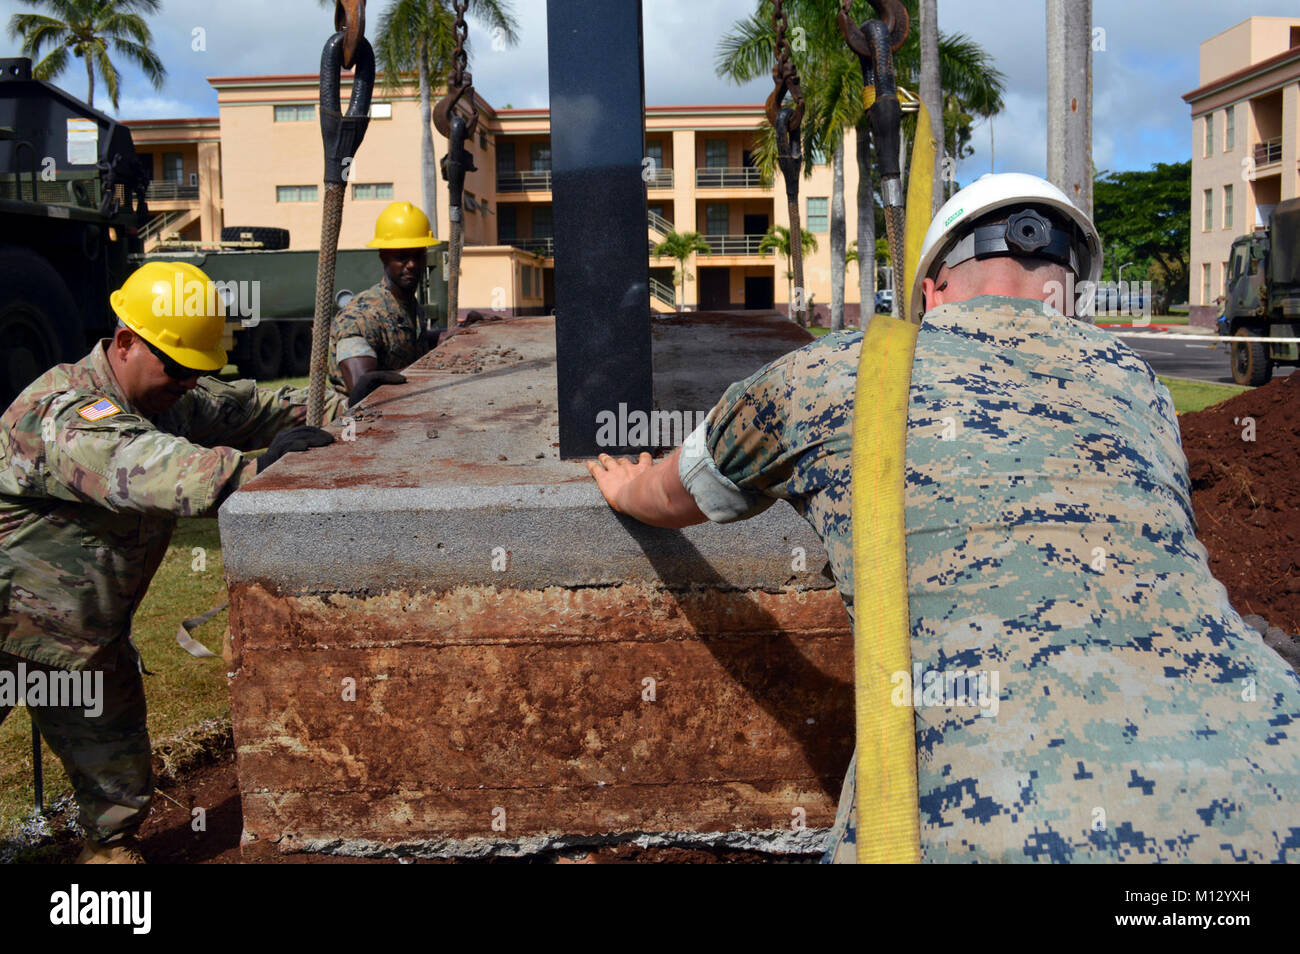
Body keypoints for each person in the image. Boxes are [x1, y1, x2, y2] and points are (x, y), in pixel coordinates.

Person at [587, 173, 1300, 863]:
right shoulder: (1138, 386)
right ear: (1070, 293)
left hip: (978, 823)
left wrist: (627, 491)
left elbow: (684, 488)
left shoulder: (835, 374)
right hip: (1274, 778)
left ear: (930, 290)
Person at [0, 260, 342, 863]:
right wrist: (254, 470)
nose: (189, 382)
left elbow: (248, 408)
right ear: (127, 342)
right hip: (5, 631)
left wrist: (341, 400)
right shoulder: (62, 412)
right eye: (178, 367)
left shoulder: (167, 399)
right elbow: (144, 469)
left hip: (83, 645)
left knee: (119, 801)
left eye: (197, 371)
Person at [328, 200, 458, 406]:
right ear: (383, 257)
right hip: (356, 421)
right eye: (402, 257)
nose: (412, 265)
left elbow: (406, 342)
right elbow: (363, 388)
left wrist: (447, 336)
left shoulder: (408, 304)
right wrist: (432, 371)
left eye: (418, 256)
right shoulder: (360, 317)